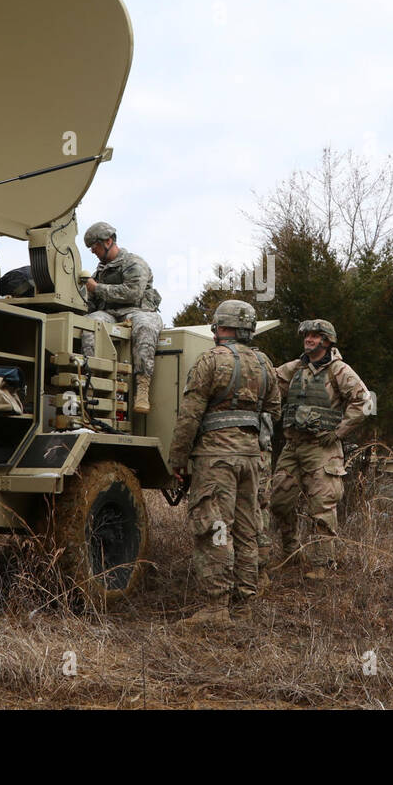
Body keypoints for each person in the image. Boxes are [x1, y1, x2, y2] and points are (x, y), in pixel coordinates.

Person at [167, 300, 281, 625]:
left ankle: (216, 608)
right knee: (247, 530)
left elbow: (189, 415)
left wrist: (177, 458)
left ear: (221, 327)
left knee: (216, 527)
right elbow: (273, 414)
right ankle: (242, 606)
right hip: (251, 459)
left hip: (216, 459)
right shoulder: (264, 364)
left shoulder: (210, 360)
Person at [271, 319, 370, 579]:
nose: (309, 339)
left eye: (315, 336)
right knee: (278, 500)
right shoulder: (296, 368)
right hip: (293, 446)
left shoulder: (339, 370)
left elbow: (363, 401)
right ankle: (291, 551)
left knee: (322, 506)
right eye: (306, 335)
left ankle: (322, 564)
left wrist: (338, 432)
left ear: (326, 341)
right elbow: (270, 383)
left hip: (322, 448)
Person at [80, 221, 163, 414]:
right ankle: (96, 384)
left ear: (108, 241)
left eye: (95, 246)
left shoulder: (134, 263)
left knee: (145, 326)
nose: (93, 251)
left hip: (139, 312)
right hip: (110, 314)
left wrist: (97, 288)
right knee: (90, 324)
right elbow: (91, 302)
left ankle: (142, 388)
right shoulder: (100, 271)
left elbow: (133, 292)